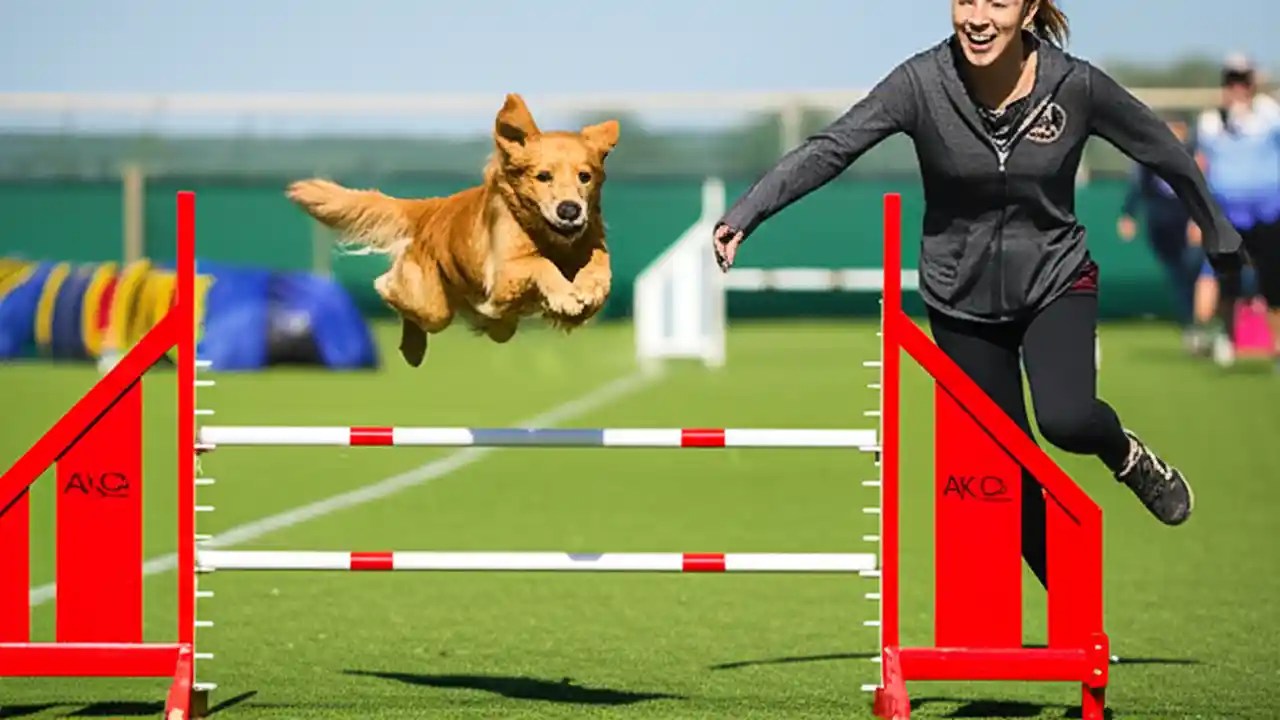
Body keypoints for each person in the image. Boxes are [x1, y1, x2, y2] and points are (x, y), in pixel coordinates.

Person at [711, 0, 1243, 587]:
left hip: (1054, 280)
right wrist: (748, 212)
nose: (978, 18)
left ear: (1030, 8)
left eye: (998, 2)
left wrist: (1217, 228)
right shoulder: (920, 83)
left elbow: (1160, 150)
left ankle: (1127, 456)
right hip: (958, 300)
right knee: (1006, 471)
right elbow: (833, 146)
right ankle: (1075, 607)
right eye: (966, 0)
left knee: (1066, 420)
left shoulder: (1075, 84)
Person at [1193, 53, 1280, 370]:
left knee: (1273, 282)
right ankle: (1228, 340)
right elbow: (1200, 167)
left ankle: (1277, 348)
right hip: (1227, 214)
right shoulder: (1211, 121)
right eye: (1232, 80)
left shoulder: (1271, 114)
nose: (1238, 87)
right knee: (1227, 278)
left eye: (1243, 80)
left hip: (1269, 212)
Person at [1116, 117, 1208, 352]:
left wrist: (1199, 220)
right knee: (1176, 274)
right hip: (1160, 223)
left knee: (1193, 268)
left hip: (1187, 223)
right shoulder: (1150, 156)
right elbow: (1137, 185)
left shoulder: (1195, 157)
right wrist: (1128, 214)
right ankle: (1190, 325)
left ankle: (1201, 322)